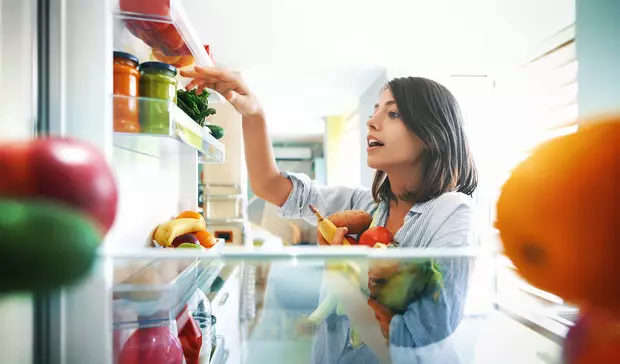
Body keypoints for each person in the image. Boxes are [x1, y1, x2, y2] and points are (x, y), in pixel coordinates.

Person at [182, 66, 479, 363]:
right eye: (375, 110)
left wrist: (343, 274)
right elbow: (268, 185)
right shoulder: (366, 204)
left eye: (392, 114)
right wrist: (253, 111)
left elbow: (416, 338)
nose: (371, 121)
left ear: (431, 133)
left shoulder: (452, 212)